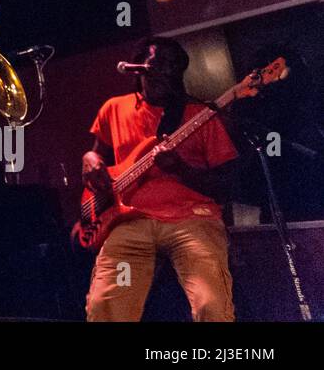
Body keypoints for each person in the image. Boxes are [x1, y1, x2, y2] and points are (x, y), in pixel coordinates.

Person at [82, 36, 239, 322]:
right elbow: (97, 155)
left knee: (212, 305)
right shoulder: (113, 108)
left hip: (193, 219)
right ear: (138, 67)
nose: (165, 71)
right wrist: (90, 161)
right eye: (158, 63)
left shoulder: (200, 115)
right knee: (105, 306)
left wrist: (180, 169)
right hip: (129, 221)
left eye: (173, 66)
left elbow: (228, 184)